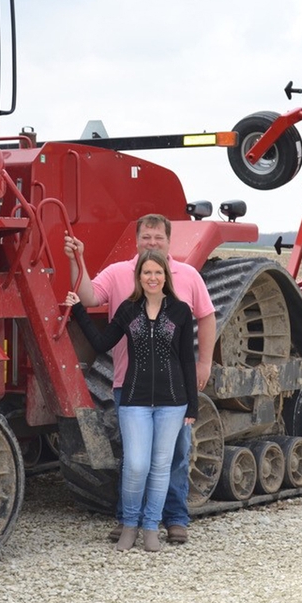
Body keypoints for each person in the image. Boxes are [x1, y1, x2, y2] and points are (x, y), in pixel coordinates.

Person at [64, 214, 216, 545]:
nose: (152, 243)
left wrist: (205, 363)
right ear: (136, 240)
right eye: (146, 237)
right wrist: (78, 260)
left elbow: (206, 318)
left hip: (172, 390)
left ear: (168, 240)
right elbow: (89, 297)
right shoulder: (120, 274)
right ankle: (128, 519)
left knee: (174, 454)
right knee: (133, 458)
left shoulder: (187, 277)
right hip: (127, 384)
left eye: (158, 237)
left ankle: (174, 518)